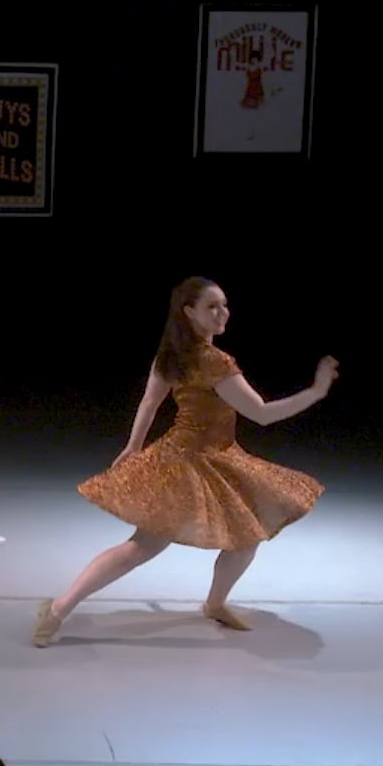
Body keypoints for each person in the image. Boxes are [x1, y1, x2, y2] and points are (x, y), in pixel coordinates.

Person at [34, 276, 336, 647]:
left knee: (245, 537)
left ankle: (214, 604)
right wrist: (317, 391)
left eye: (224, 304)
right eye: (212, 306)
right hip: (191, 462)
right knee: (142, 547)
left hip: (210, 457)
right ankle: (58, 609)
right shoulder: (213, 361)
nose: (223, 312)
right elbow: (262, 414)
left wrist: (134, 446)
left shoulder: (174, 353)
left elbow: (150, 402)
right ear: (189, 312)